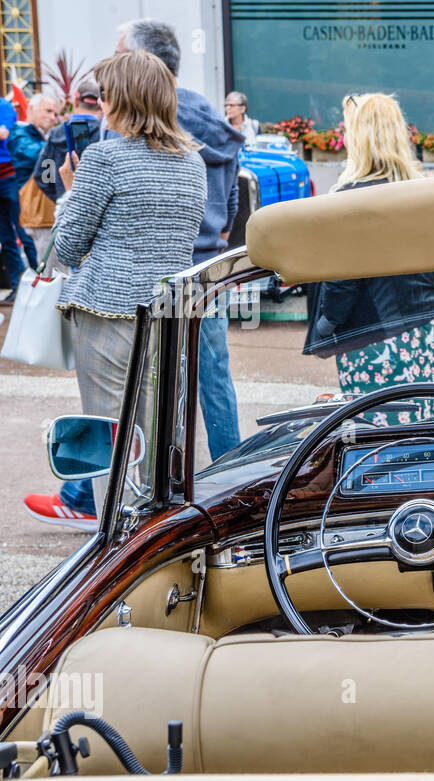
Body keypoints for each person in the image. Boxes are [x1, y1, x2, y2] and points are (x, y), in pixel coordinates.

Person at [22, 50, 206, 531]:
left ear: (122, 99)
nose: (100, 104)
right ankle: (160, 535)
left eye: (104, 95)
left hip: (108, 309)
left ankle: (113, 543)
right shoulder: (193, 161)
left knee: (112, 437)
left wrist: (69, 191)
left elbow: (67, 245)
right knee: (165, 431)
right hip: (171, 312)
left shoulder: (104, 158)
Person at [117, 18, 245, 462]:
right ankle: (234, 475)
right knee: (214, 376)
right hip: (210, 263)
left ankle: (157, 485)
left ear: (143, 62)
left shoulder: (140, 119)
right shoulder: (212, 116)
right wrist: (216, 231)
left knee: (151, 379)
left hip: (158, 267)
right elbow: (232, 195)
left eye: (120, 57)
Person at [302, 93, 434, 426]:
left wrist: (326, 325)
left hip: (371, 337)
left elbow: (342, 282)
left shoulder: (349, 199)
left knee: (375, 443)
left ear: (360, 139)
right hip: (424, 330)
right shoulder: (424, 192)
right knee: (422, 435)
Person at [10, 92, 61, 270]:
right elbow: (39, 157)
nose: (52, 117)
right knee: (50, 275)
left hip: (50, 215)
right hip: (39, 216)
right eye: (48, 111)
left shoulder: (45, 137)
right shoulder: (19, 134)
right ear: (31, 109)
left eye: (55, 114)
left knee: (55, 273)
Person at [35, 80, 109, 203]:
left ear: (75, 102)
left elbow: (43, 175)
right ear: (100, 104)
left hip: (66, 203)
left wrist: (60, 195)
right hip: (98, 207)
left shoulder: (56, 134)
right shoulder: (106, 132)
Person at [0, 81, 31, 302]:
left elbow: (3, 133)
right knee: (5, 235)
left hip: (9, 176)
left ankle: (37, 280)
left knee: (23, 229)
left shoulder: (4, 106)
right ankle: (17, 284)